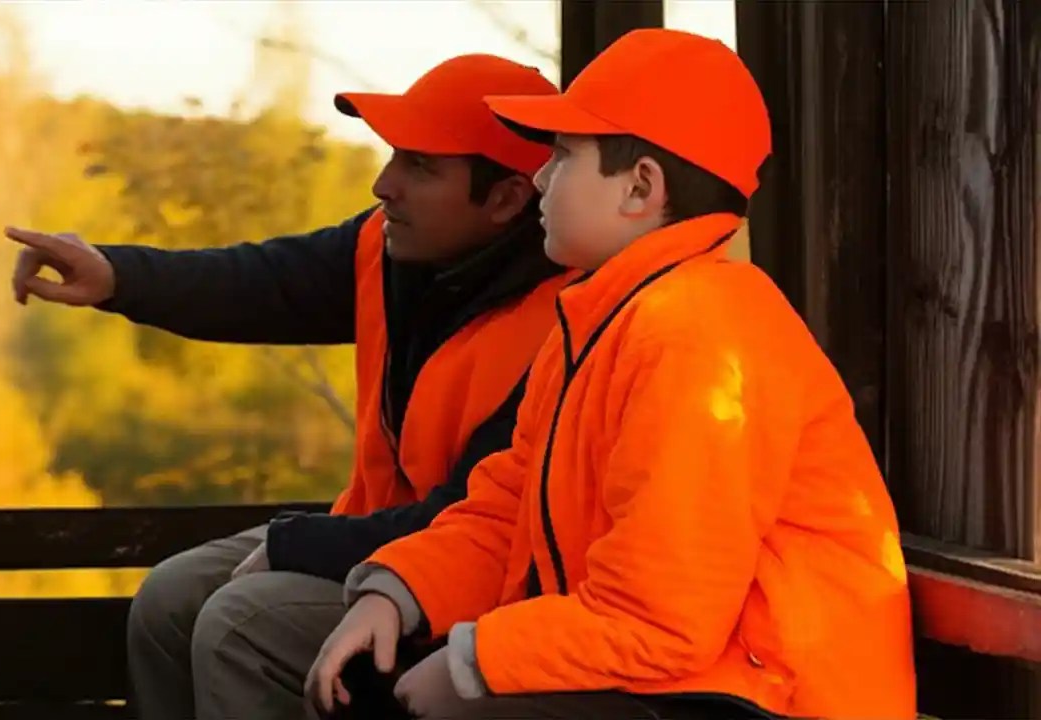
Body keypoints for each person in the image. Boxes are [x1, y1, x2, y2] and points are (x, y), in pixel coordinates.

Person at [306, 28, 917, 720]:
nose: (538, 176)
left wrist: (475, 659)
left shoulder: (696, 332)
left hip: (769, 700)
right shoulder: (603, 320)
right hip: (682, 680)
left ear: (640, 188)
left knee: (444, 703)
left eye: (563, 156)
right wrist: (400, 589)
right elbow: (508, 509)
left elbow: (662, 621)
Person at [5, 54, 571, 720]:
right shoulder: (390, 249)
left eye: (420, 167)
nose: (383, 186)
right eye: (394, 157)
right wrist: (116, 277)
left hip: (474, 586)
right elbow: (261, 282)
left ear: (506, 198)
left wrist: (294, 542)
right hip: (377, 537)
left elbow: (480, 523)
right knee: (169, 598)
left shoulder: (567, 325)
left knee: (241, 624)